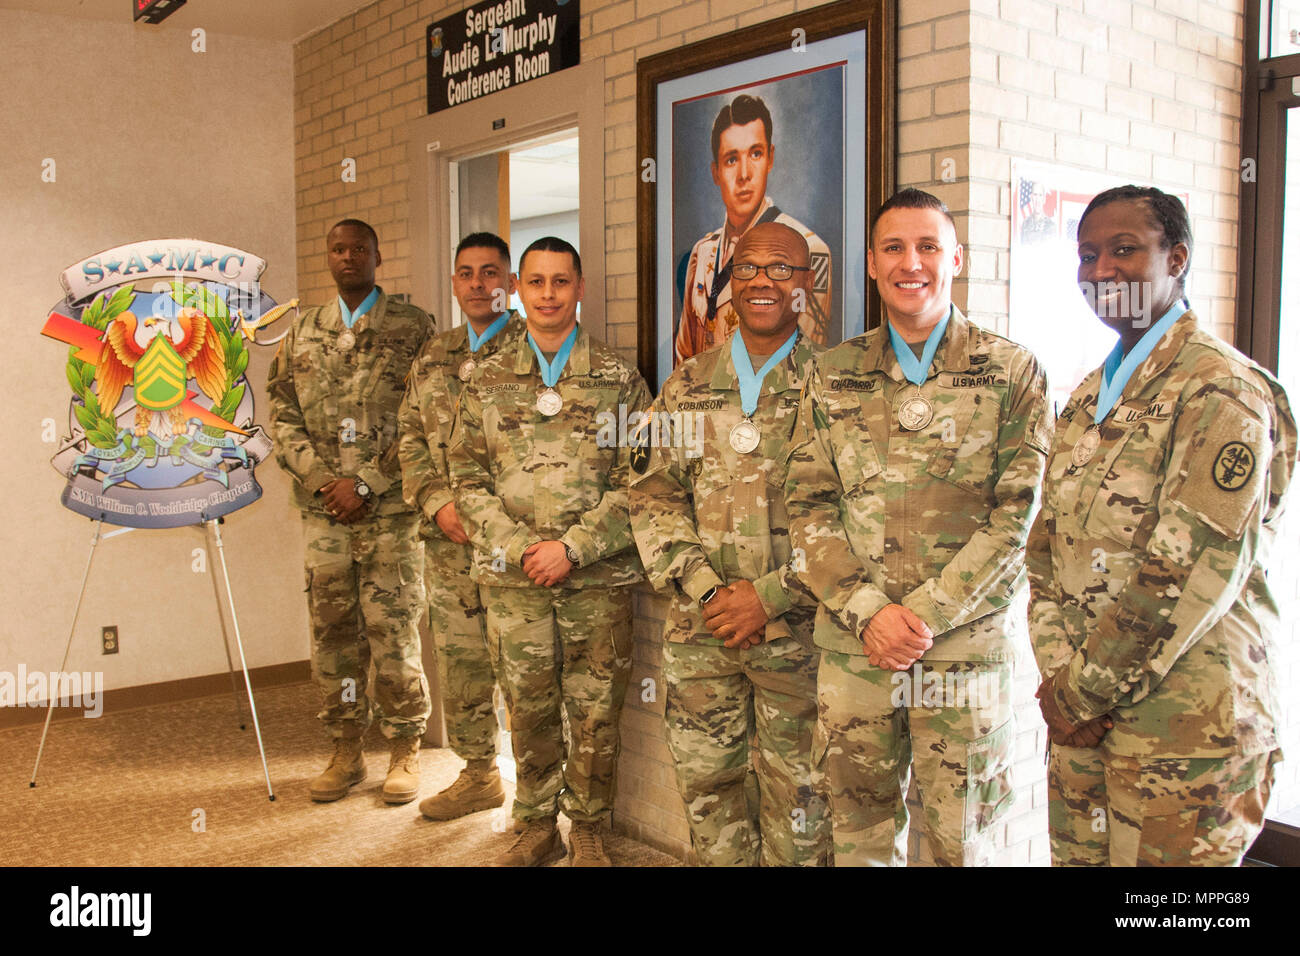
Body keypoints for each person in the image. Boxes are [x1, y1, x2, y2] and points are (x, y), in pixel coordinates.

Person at [1027, 185, 1296, 866]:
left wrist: (1081, 690)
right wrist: (1063, 678)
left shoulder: (1221, 389)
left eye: (1125, 250)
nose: (1101, 271)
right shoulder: (1089, 395)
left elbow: (1184, 570)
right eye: (1088, 255)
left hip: (1185, 732)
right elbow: (1046, 551)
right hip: (1087, 727)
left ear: (1175, 259)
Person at [783, 188, 1053, 866]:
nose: (913, 263)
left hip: (962, 653)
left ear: (955, 258)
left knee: (966, 841)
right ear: (871, 265)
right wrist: (870, 613)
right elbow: (808, 509)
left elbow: (1020, 517)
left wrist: (922, 615)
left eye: (928, 246)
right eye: (895, 248)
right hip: (857, 652)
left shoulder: (1011, 372)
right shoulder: (830, 375)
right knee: (858, 835)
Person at [630, 222, 832, 866]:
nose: (763, 283)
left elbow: (857, 521)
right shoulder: (687, 386)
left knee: (801, 802)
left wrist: (767, 597)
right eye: (747, 269)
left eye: (782, 270)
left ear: (805, 286)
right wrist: (709, 590)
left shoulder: (837, 388)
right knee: (709, 796)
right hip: (702, 633)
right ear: (728, 283)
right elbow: (652, 498)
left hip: (801, 637)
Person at [447, 236, 652, 866]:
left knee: (595, 712)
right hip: (514, 584)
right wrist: (515, 547)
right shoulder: (482, 380)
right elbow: (465, 477)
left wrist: (573, 547)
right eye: (535, 282)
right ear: (518, 290)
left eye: (560, 282)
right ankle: (534, 823)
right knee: (528, 704)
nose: (547, 295)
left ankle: (589, 826)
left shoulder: (619, 379)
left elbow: (642, 481)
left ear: (580, 288)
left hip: (596, 581)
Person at [267, 218, 433, 804]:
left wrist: (365, 483)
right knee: (334, 636)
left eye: (358, 248)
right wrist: (321, 482)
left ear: (377, 256)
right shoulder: (302, 331)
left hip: (390, 513)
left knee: (393, 632)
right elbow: (283, 416)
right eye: (337, 248)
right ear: (327, 256)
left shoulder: (413, 328)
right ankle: (345, 749)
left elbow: (426, 417)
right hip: (324, 517)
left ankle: (406, 748)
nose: (347, 258)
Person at [398, 232, 525, 821]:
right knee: (463, 662)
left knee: (525, 665)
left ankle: (541, 794)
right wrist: (436, 504)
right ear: (453, 282)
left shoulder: (535, 349)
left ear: (511, 283)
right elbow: (409, 438)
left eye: (490, 272)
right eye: (467, 273)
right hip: (448, 542)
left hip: (512, 544)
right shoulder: (432, 355)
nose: (478, 284)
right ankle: (478, 775)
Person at [675, 93, 833, 366]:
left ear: (770, 158)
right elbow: (683, 361)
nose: (744, 174)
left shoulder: (808, 250)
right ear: (716, 172)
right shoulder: (703, 252)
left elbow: (805, 365)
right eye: (731, 160)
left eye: (755, 154)